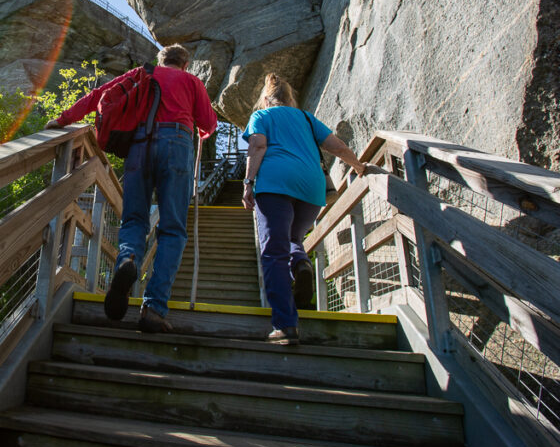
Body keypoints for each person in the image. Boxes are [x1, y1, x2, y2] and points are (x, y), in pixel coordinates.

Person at [46, 44, 217, 332]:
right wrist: (199, 129)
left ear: (160, 61)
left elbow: (98, 95)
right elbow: (209, 123)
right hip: (177, 145)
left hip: (140, 146)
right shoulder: (191, 81)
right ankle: (153, 308)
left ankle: (129, 259)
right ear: (185, 64)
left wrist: (63, 120)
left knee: (134, 219)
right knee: (173, 228)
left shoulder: (143, 74)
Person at [241, 73, 366, 344]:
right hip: (311, 187)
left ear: (266, 99)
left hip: (275, 183)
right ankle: (301, 264)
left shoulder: (262, 117)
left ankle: (285, 324)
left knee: (273, 251)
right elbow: (337, 147)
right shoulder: (307, 118)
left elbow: (258, 145)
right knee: (293, 239)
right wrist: (359, 167)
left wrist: (248, 183)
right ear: (290, 98)